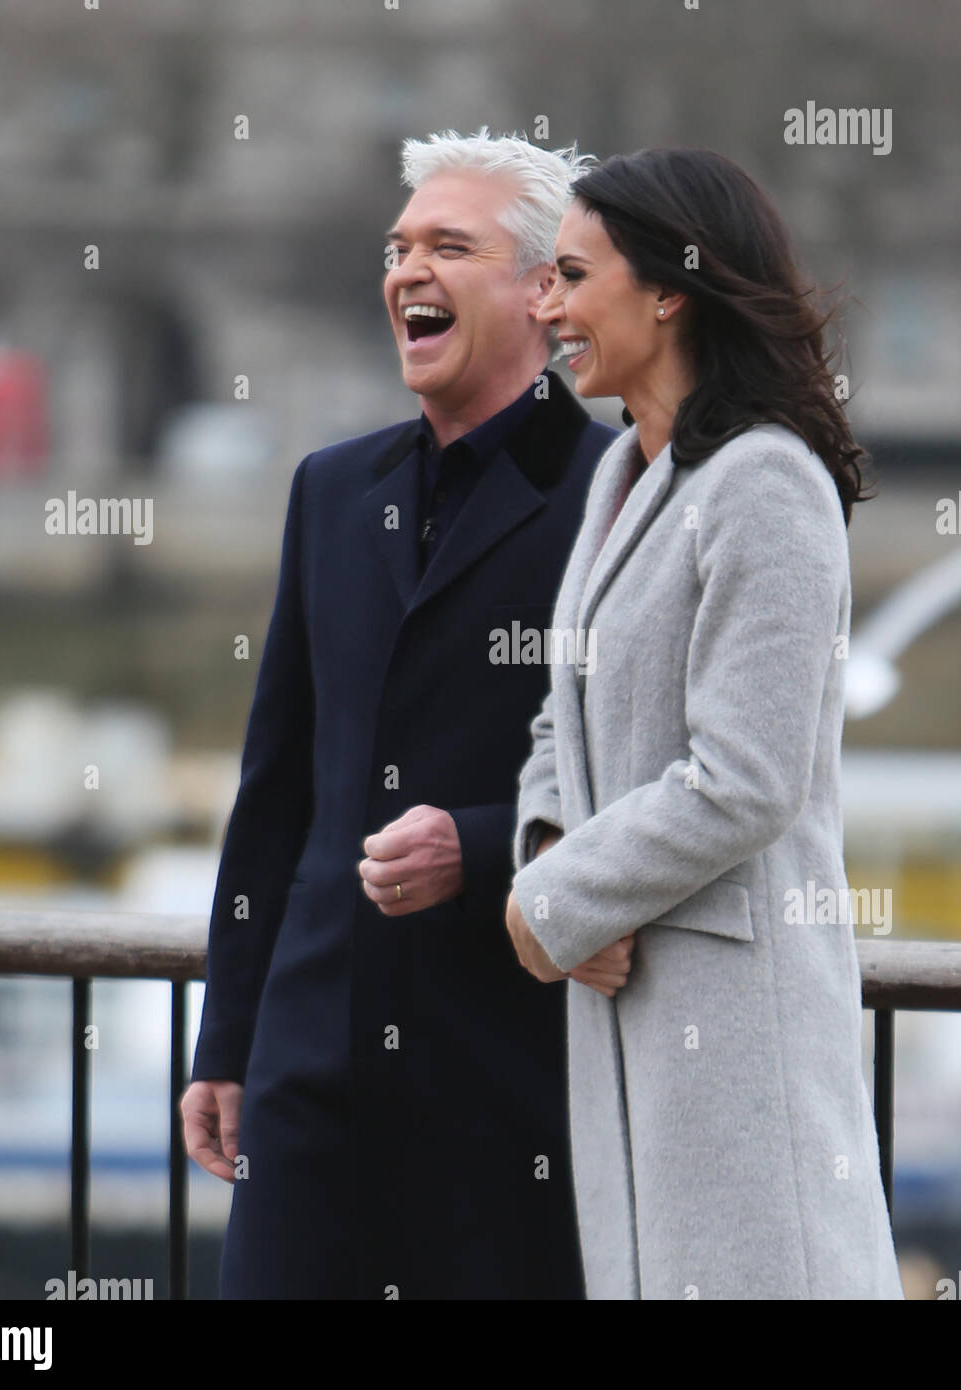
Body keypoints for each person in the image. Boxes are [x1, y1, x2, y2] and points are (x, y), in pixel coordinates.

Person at [181, 129, 620, 1299]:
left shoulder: (616, 495)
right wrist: (226, 1044)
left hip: (514, 1073)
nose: (406, 272)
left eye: (447, 246)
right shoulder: (330, 488)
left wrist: (477, 847)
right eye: (396, 248)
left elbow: (643, 781)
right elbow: (275, 791)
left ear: (542, 287)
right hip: (306, 1076)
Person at [505, 147, 906, 1299]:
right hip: (628, 1016)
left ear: (669, 290)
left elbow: (747, 775)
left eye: (572, 275)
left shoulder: (768, 483)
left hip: (735, 1033)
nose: (546, 305)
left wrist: (558, 904)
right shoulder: (622, 474)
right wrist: (545, 853)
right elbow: (558, 715)